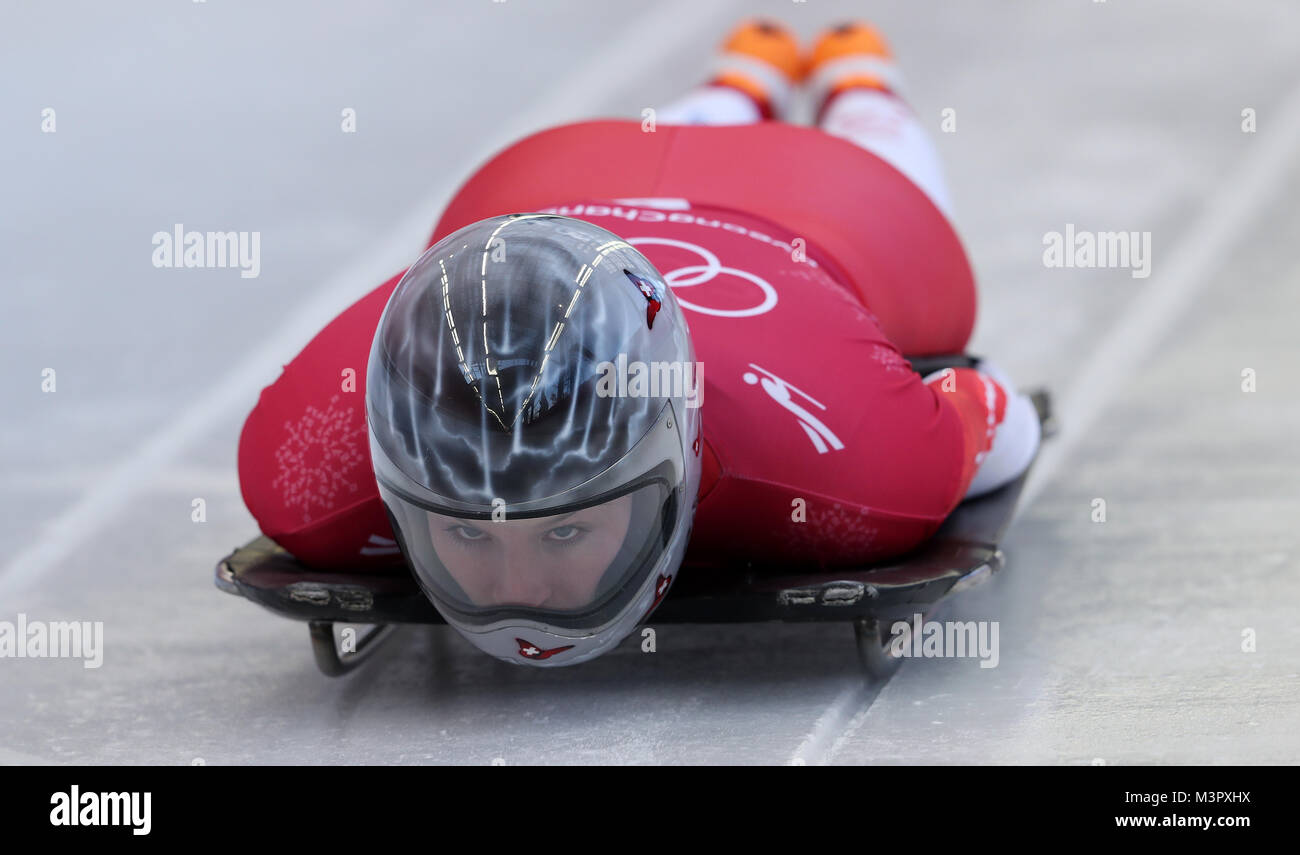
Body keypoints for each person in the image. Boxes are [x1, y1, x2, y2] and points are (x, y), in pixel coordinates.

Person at [237, 18, 1042, 666]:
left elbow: (1001, 419)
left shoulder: (858, 462)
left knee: (931, 289)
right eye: (467, 533)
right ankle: (766, 80)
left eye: (563, 531)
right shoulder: (301, 469)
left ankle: (827, 80)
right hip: (591, 179)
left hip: (789, 196)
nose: (525, 593)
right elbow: (997, 413)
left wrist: (937, 421)